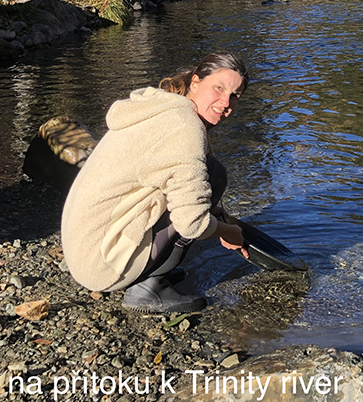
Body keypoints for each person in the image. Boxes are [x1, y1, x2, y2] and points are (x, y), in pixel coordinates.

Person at [61, 51, 249, 313]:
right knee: (214, 176)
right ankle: (148, 287)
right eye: (218, 88)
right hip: (100, 264)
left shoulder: (162, 109)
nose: (225, 102)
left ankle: (150, 270)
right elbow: (191, 221)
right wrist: (228, 233)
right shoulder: (185, 125)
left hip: (83, 246)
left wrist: (215, 214)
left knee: (205, 180)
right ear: (195, 82)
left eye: (235, 95)